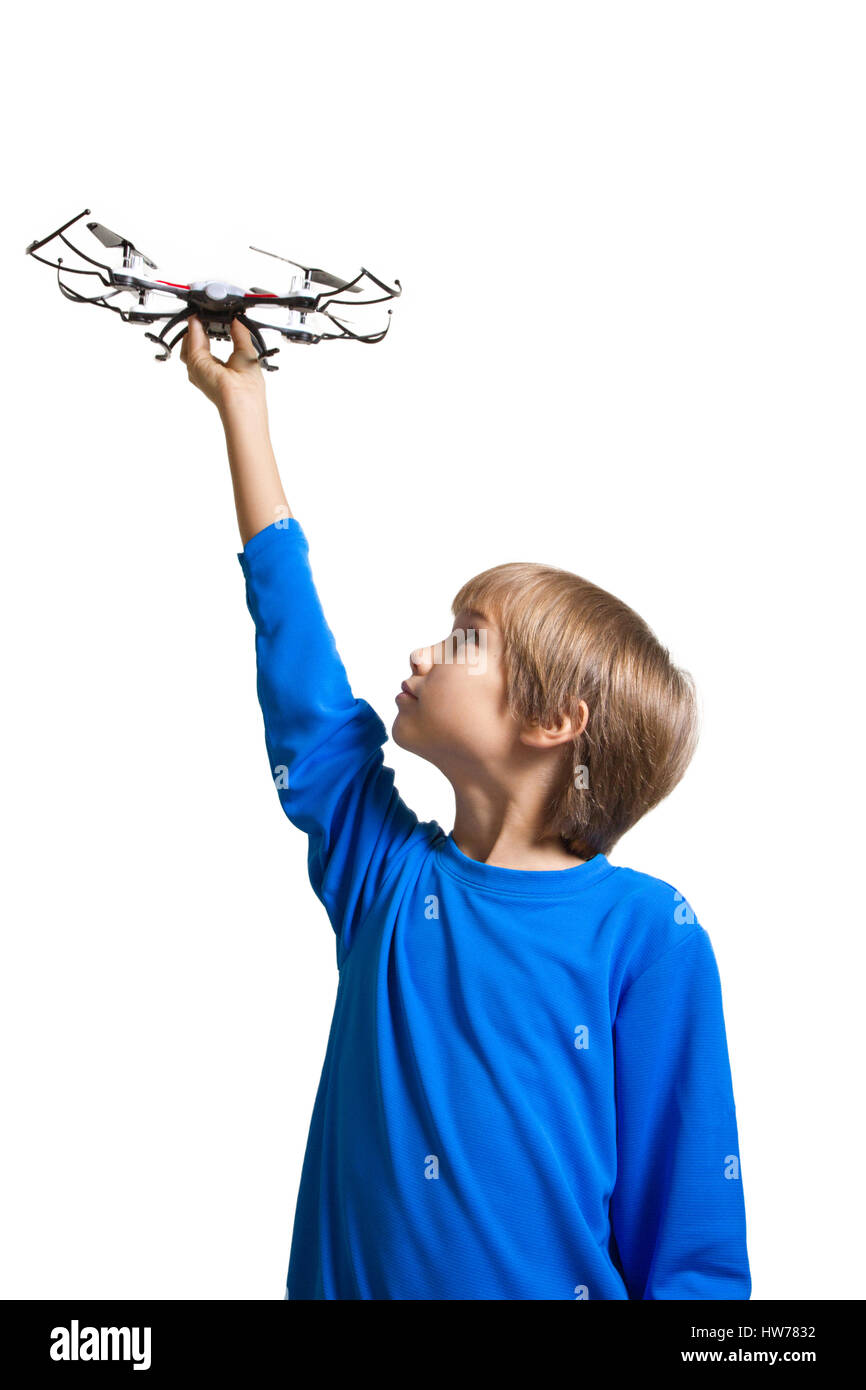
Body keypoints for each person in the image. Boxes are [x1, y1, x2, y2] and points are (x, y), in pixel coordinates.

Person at [181, 314, 752, 1300]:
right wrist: (245, 411)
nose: (420, 655)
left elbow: (693, 1257)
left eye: (463, 639)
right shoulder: (387, 884)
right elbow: (309, 708)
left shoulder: (646, 934)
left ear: (552, 720)